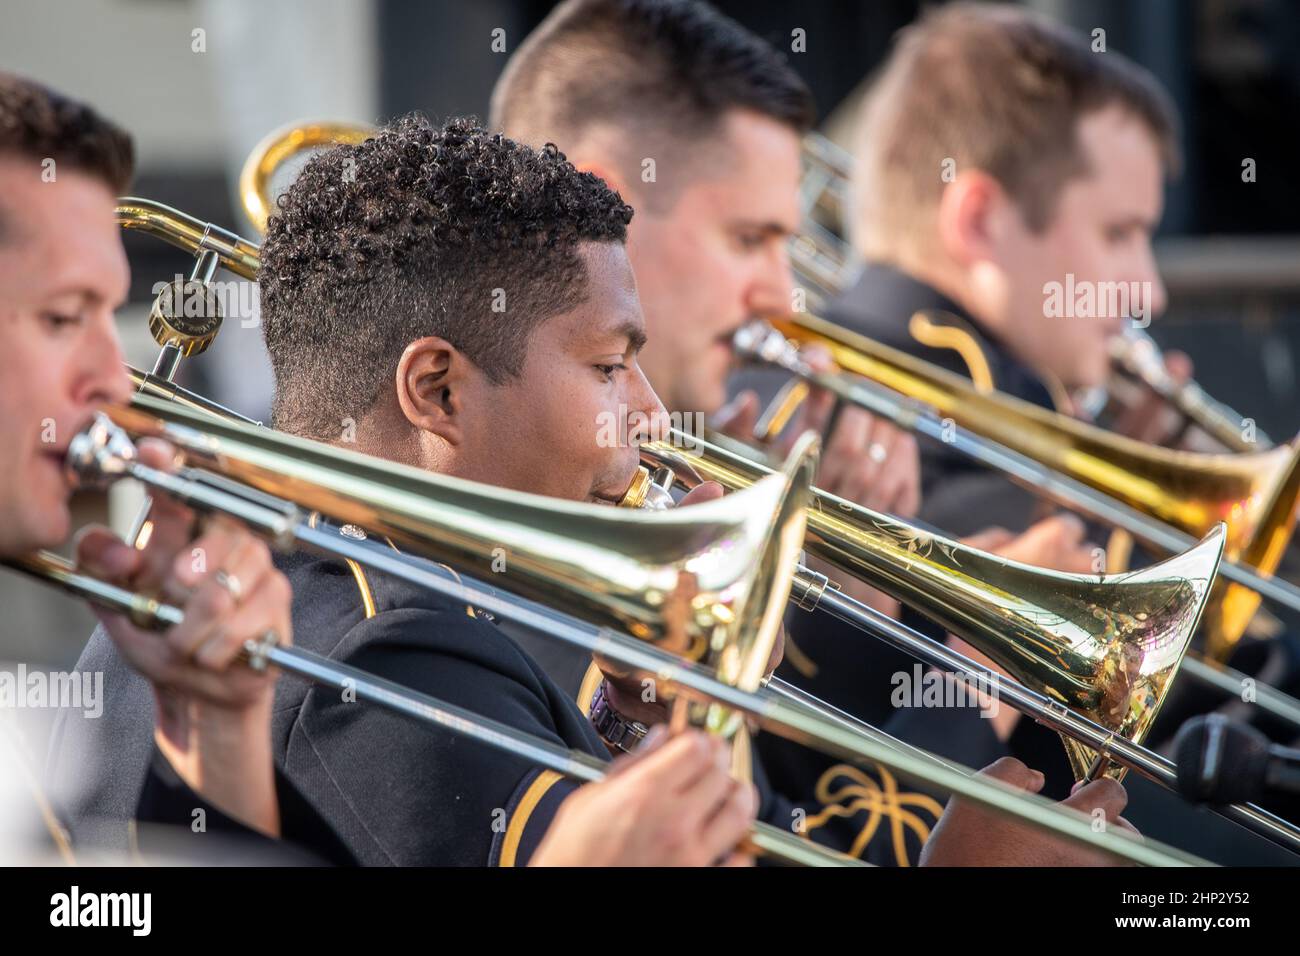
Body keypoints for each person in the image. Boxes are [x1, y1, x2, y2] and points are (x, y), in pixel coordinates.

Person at [488, 0, 1102, 863]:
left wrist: (836, 607)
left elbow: (784, 812)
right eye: (749, 238)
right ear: (605, 203)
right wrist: (967, 676)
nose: (784, 293)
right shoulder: (511, 490)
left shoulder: (682, 467)